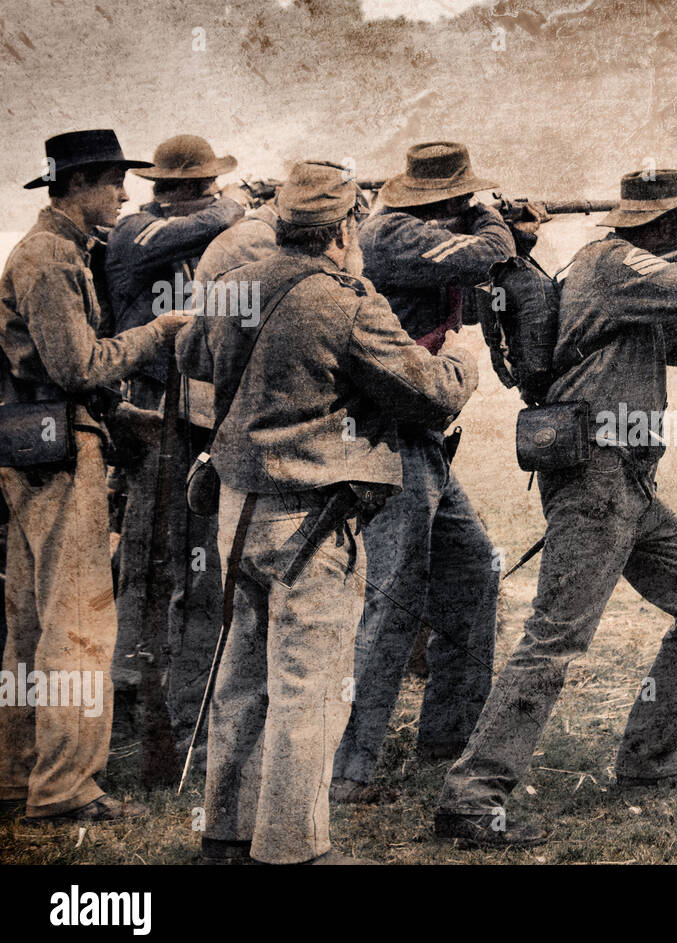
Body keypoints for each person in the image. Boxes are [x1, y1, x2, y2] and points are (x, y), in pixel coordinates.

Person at [435, 168, 677, 847]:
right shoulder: (615, 265)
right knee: (555, 639)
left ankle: (648, 759)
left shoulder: (635, 281)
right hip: (597, 478)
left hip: (629, 481)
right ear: (664, 223)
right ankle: (471, 796)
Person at [176, 160, 481, 865]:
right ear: (345, 228)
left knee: (243, 681)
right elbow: (430, 394)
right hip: (311, 522)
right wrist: (462, 359)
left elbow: (192, 353)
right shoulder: (345, 301)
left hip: (236, 509)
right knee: (308, 690)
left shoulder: (229, 287)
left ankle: (225, 838)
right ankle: (295, 850)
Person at [0, 129, 188, 824]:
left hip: (32, 449)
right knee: (78, 625)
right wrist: (158, 333)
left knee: (29, 626)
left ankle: (20, 774)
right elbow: (76, 366)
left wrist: (124, 414)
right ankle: (67, 788)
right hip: (56, 458)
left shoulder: (50, 251)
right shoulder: (50, 258)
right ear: (80, 186)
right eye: (115, 183)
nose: (125, 196)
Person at [331, 143, 510, 803]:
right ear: (439, 205)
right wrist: (497, 222)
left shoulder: (420, 233)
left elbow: (487, 275)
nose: (469, 209)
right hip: (386, 437)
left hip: (421, 438)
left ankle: (449, 734)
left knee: (473, 570)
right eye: (462, 201)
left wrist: (507, 233)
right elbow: (485, 253)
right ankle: (348, 768)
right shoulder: (393, 234)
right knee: (393, 600)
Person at [104, 135, 245, 749]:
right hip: (151, 418)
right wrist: (238, 203)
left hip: (189, 419)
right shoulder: (134, 232)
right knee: (147, 567)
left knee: (191, 571)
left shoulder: (198, 233)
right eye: (205, 187)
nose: (214, 197)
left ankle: (167, 713)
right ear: (183, 191)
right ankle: (135, 714)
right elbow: (206, 223)